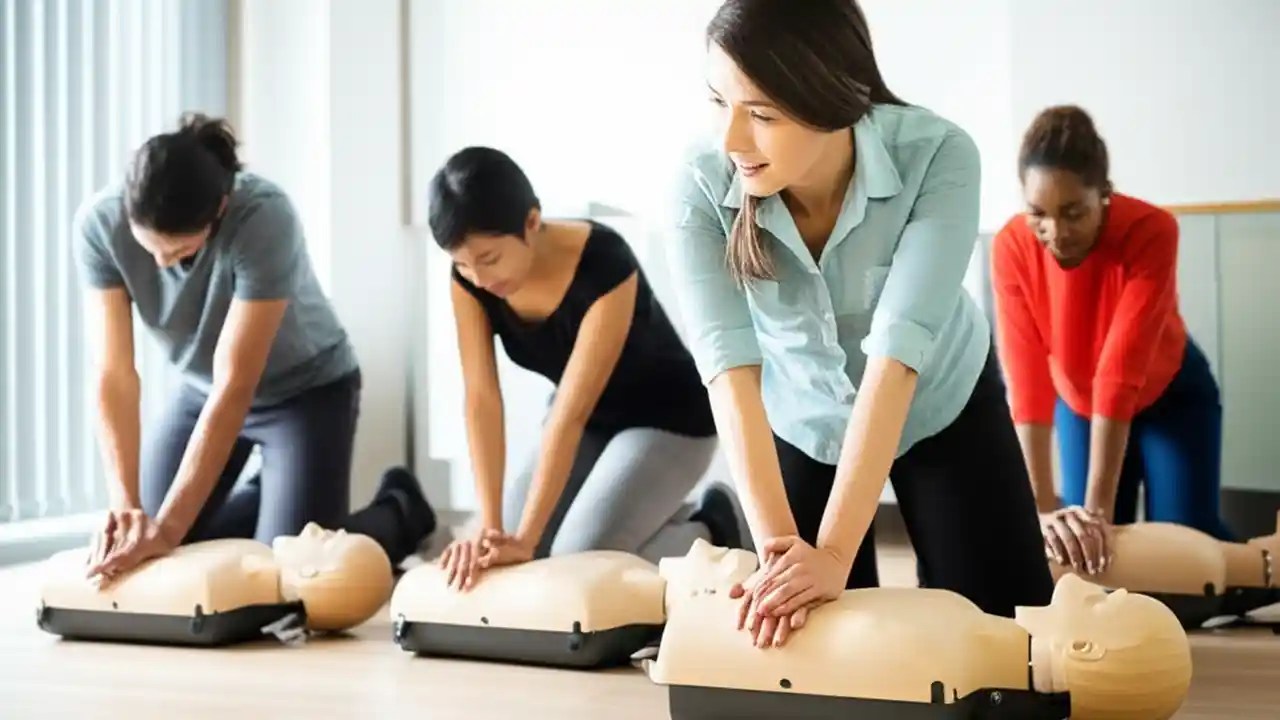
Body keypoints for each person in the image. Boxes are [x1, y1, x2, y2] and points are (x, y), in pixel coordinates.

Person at [664, 0, 1054, 648]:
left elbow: (897, 357)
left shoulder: (936, 154)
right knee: (813, 643)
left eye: (761, 113)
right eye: (718, 101)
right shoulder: (701, 183)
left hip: (939, 401)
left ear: (834, 97)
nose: (731, 139)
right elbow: (728, 374)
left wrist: (835, 553)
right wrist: (784, 561)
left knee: (1008, 639)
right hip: (800, 415)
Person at [73, 113, 436, 582]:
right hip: (200, 391)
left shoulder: (264, 216)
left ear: (220, 209)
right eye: (149, 248)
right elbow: (114, 374)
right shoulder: (98, 226)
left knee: (293, 574)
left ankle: (400, 509)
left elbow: (235, 384)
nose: (161, 264)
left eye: (179, 252)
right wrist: (126, 507)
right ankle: (279, 492)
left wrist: (168, 530)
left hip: (304, 392)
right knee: (158, 552)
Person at [427, 146, 743, 591]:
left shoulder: (604, 261)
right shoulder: (471, 279)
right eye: (461, 263)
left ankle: (716, 526)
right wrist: (492, 529)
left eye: (489, 259)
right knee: (513, 552)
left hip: (669, 419)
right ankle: (645, 514)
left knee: (576, 558)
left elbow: (569, 416)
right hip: (592, 423)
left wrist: (527, 539)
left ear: (531, 222)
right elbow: (481, 397)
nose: (478, 277)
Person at [991, 105, 1235, 576]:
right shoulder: (1011, 247)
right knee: (1086, 556)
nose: (1056, 233)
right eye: (1038, 214)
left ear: (1104, 194)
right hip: (1081, 403)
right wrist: (1039, 513)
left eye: (1073, 213)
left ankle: (1268, 564)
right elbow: (1027, 384)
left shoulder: (1151, 230)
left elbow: (1119, 372)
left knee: (1185, 554)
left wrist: (1097, 515)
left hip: (1171, 395)